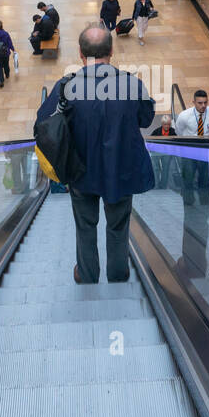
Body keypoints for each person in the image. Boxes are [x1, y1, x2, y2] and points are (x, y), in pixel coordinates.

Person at [37, 26, 155, 284]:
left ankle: (88, 275)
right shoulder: (131, 84)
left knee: (85, 226)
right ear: (111, 52)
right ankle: (118, 273)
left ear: (81, 53)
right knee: (118, 226)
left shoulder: (66, 87)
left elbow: (42, 122)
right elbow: (146, 119)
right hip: (121, 172)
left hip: (81, 173)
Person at [174, 89, 209, 202]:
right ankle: (188, 202)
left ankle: (204, 203)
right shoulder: (184, 116)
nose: (203, 105)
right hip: (188, 151)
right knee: (187, 179)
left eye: (205, 102)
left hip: (205, 151)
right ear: (193, 102)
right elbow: (179, 132)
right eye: (200, 103)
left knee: (205, 179)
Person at [149, 114, 177, 189]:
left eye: (168, 124)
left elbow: (176, 141)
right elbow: (150, 141)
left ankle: (163, 185)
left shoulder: (173, 131)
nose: (167, 126)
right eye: (165, 124)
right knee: (156, 168)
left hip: (167, 153)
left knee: (166, 168)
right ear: (162, 124)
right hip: (156, 152)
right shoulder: (156, 131)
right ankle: (156, 185)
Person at [0, 19, 15, 88]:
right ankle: (7, 74)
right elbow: (9, 43)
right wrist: (13, 49)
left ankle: (1, 81)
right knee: (6, 64)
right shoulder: (6, 34)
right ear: (2, 26)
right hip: (5, 53)